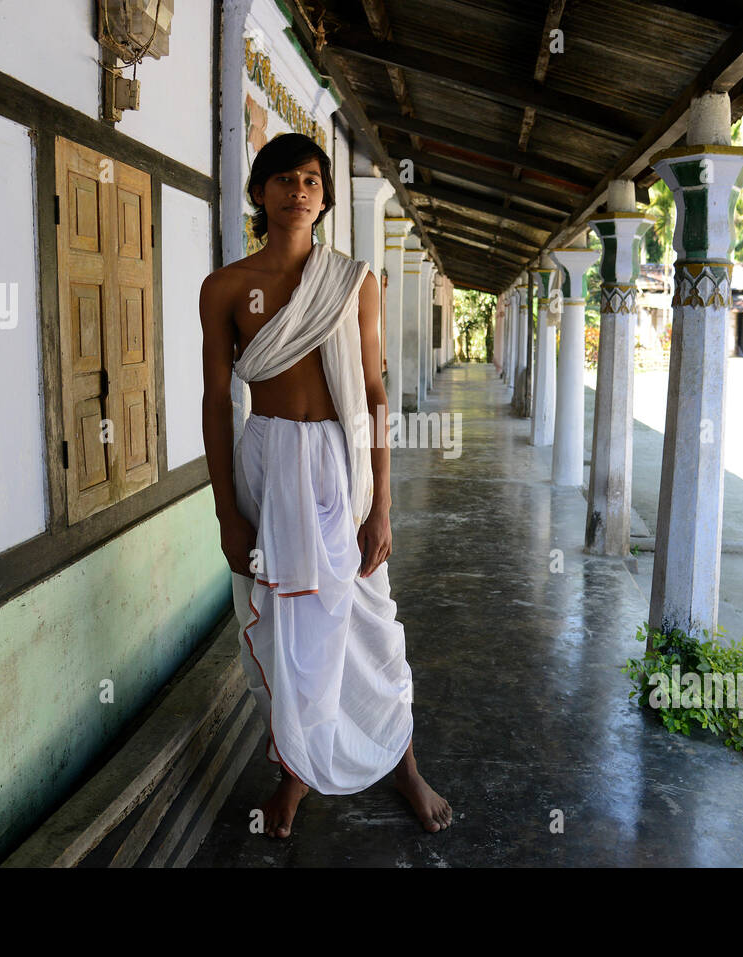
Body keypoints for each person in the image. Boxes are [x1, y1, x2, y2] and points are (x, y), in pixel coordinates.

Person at [199, 132, 452, 839]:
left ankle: (402, 763)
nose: (298, 189)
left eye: (311, 179)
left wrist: (384, 507)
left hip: (343, 472)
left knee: (370, 625)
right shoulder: (225, 288)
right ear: (259, 193)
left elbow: (373, 390)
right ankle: (295, 773)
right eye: (282, 178)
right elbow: (217, 403)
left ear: (326, 197)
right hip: (269, 467)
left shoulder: (354, 281)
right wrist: (226, 513)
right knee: (285, 628)